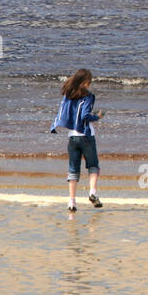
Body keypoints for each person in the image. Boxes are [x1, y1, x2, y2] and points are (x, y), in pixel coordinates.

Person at [50, 68, 103, 212]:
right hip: (86, 135)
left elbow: (65, 112)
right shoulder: (88, 96)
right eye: (89, 82)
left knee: (73, 169)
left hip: (72, 136)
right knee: (93, 166)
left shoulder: (68, 95)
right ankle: (92, 192)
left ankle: (72, 202)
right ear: (85, 83)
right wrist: (97, 117)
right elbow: (85, 116)